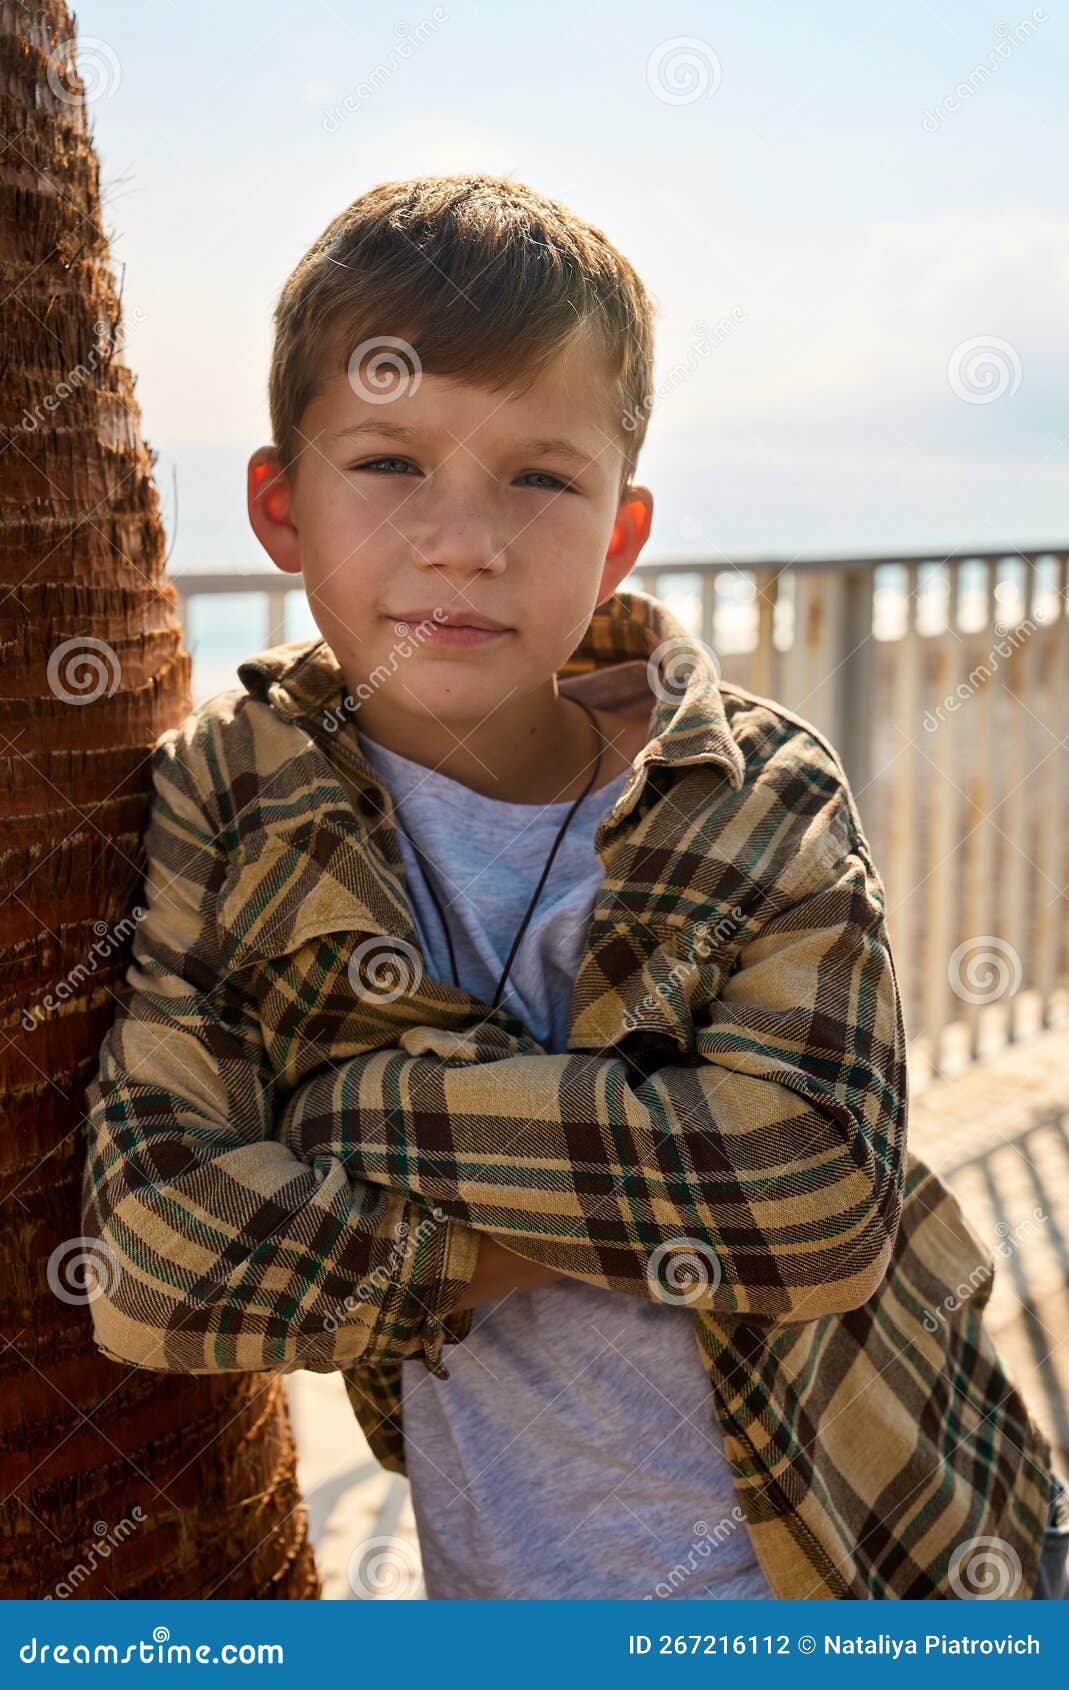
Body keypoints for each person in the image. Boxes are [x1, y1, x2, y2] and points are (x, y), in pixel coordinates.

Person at [81, 173, 1063, 1601]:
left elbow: (815, 1196)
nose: (464, 540)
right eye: (390, 463)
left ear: (616, 533)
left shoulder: (753, 789)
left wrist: (355, 1115)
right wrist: (655, 1185)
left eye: (540, 479)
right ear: (280, 509)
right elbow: (156, 1259)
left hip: (889, 1550)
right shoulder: (231, 799)